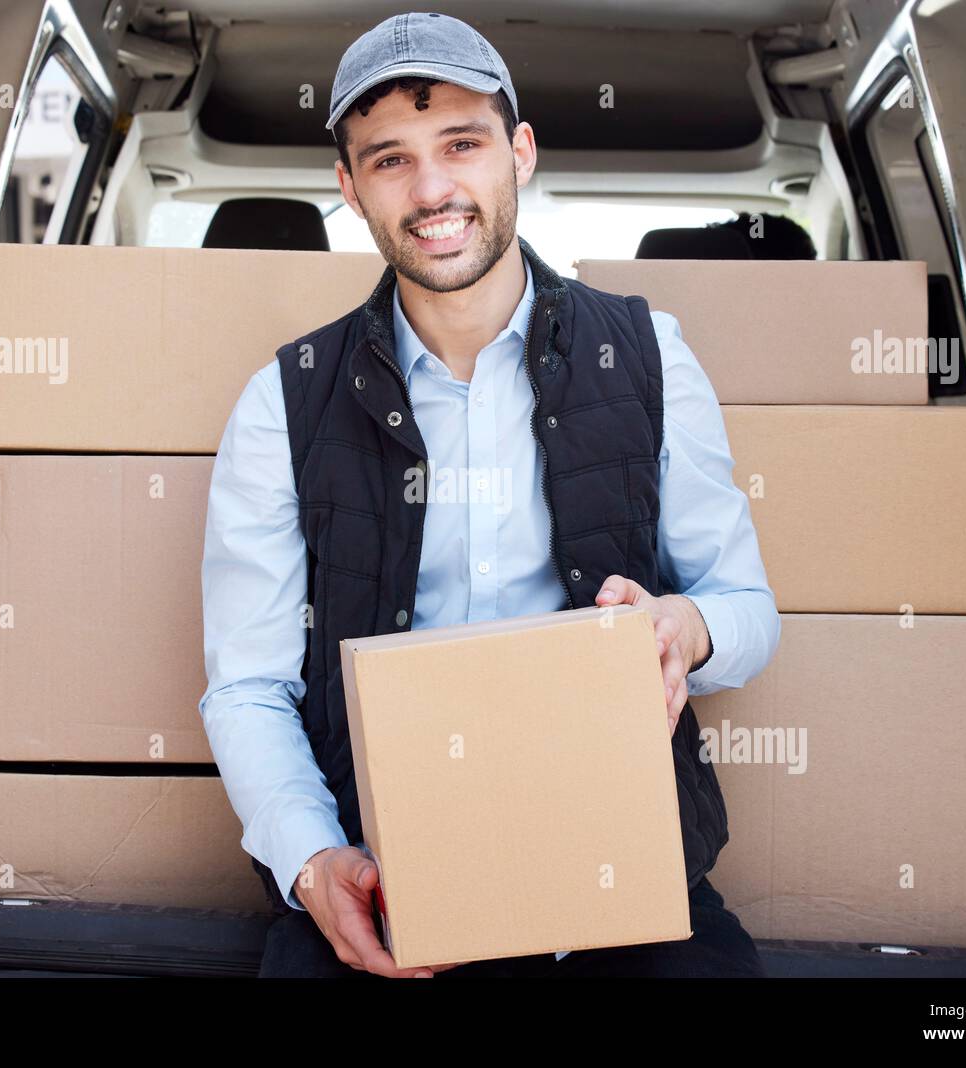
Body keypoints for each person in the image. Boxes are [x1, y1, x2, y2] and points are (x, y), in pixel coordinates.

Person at [200, 11, 780, 978]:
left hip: (623, 886)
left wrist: (683, 628)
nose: (432, 191)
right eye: (389, 160)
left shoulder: (647, 357)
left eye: (461, 144)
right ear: (349, 189)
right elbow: (251, 686)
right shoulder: (283, 404)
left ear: (519, 152)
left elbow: (748, 611)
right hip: (386, 880)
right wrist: (312, 863)